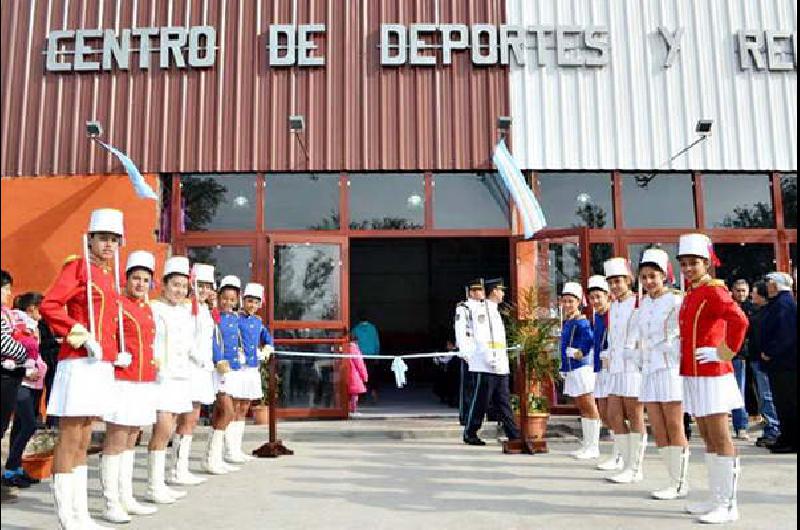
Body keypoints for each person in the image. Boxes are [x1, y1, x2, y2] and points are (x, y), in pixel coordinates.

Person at [41, 208, 126, 529]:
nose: (108, 245)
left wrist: (116, 352)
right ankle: (66, 515)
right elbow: (50, 305)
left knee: (86, 436)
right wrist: (82, 335)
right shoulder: (78, 267)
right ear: (90, 239)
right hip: (77, 361)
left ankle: (80, 512)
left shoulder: (109, 277)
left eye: (114, 240)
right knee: (70, 436)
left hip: (100, 364)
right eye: (103, 238)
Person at [678, 233, 748, 524]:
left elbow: (740, 320)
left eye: (694, 263)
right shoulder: (692, 293)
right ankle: (716, 496)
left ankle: (729, 504)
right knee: (706, 435)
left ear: (706, 263)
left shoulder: (715, 291)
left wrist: (725, 351)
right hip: (694, 373)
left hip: (714, 374)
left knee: (719, 436)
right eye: (684, 264)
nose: (688, 269)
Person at [100, 251, 159, 522]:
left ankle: (126, 497)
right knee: (117, 437)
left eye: (145, 280)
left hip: (144, 379)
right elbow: (104, 334)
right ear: (126, 279)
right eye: (135, 278)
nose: (140, 284)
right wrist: (113, 356)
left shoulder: (147, 308)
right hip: (122, 378)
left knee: (133, 435)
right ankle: (110, 501)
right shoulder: (117, 303)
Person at [635, 249, 689, 500]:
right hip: (648, 369)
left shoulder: (677, 300)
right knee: (657, 425)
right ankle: (672, 479)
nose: (648, 282)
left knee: (674, 423)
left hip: (670, 368)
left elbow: (686, 333)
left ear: (664, 276)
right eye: (644, 277)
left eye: (653, 276)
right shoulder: (644, 303)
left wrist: (675, 347)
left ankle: (681, 482)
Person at [147, 256, 194, 504]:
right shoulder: (154, 308)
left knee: (172, 426)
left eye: (184, 286)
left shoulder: (185, 312)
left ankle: (161, 481)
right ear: (164, 285)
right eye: (175, 284)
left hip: (180, 375)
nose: (179, 290)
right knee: (162, 428)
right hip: (160, 375)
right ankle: (153, 486)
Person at [169, 263, 217, 487]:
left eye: (208, 286)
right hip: (189, 368)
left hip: (203, 370)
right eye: (201, 285)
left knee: (194, 418)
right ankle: (176, 469)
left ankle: (182, 466)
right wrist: (198, 357)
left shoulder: (206, 309)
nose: (204, 290)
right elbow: (184, 338)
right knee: (186, 419)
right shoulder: (187, 308)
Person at [459, 278, 521, 446]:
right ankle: (470, 432)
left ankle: (513, 433)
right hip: (486, 364)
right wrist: (489, 357)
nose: (503, 294)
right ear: (494, 291)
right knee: (481, 401)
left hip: (499, 364)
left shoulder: (494, 310)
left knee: (503, 400)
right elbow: (481, 337)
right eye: (501, 290)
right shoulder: (481, 310)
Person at [603, 257, 646, 485]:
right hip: (615, 367)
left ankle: (635, 467)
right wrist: (608, 353)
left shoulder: (640, 302)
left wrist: (639, 352)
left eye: (618, 281)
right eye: (611, 282)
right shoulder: (615, 306)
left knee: (635, 415)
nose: (615, 286)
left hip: (633, 368)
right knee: (613, 415)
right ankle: (624, 461)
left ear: (628, 280)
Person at [4, 296, 47, 490]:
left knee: (20, 426)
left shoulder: (33, 324)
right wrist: (26, 366)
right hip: (22, 381)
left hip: (34, 384)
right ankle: (11, 468)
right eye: (41, 308)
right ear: (31, 308)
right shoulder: (19, 321)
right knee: (29, 425)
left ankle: (15, 468)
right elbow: (16, 346)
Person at [230, 282, 273, 462]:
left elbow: (267, 338)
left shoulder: (258, 322)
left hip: (252, 367)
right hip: (238, 367)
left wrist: (267, 348)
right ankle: (229, 449)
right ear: (243, 301)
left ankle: (237, 448)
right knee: (234, 406)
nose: (252, 306)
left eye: (256, 302)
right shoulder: (235, 319)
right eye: (249, 301)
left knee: (245, 406)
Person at [559, 282, 600, 460]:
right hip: (571, 369)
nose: (567, 304)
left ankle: (594, 446)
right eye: (565, 301)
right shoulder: (569, 321)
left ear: (579, 302)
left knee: (589, 405)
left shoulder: (581, 321)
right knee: (582, 407)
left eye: (571, 301)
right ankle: (587, 444)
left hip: (582, 367)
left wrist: (580, 352)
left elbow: (590, 339)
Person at [760, 272, 797, 454]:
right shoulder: (778, 303)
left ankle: (791, 439)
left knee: (788, 403)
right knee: (782, 403)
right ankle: (786, 437)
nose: (766, 287)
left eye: (768, 283)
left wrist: (770, 352)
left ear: (775, 285)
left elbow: (786, 334)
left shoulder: (784, 304)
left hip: (785, 364)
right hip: (780, 365)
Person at [1, 270, 29, 504]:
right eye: (6, 288)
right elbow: (4, 342)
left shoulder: (7, 314)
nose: (9, 293)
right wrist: (25, 353)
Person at [209, 275, 243, 470]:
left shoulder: (236, 318)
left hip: (233, 369)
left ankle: (215, 456)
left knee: (222, 412)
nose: (228, 303)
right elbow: (212, 338)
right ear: (218, 297)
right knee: (228, 411)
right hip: (219, 368)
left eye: (232, 299)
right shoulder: (214, 315)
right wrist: (217, 359)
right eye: (225, 298)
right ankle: (212, 457)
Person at [588, 276, 621, 471]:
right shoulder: (598, 316)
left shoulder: (612, 314)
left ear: (608, 296)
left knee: (614, 414)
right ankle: (617, 453)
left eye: (598, 297)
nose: (595, 301)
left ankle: (619, 455)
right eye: (592, 298)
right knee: (604, 414)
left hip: (613, 368)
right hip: (600, 368)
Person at [748, 281, 780, 447]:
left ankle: (773, 429)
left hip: (763, 360)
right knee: (764, 396)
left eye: (753, 292)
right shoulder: (759, 312)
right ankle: (771, 427)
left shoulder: (766, 314)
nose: (751, 296)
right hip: (756, 359)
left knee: (767, 396)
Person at [730, 279, 753, 441]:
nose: (741, 293)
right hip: (724, 354)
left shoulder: (752, 309)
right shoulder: (727, 307)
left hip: (741, 356)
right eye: (738, 290)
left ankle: (741, 426)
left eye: (743, 290)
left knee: (739, 392)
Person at [351, 316, 381, 403]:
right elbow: (377, 343)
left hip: (359, 357)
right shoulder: (373, 329)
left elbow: (353, 343)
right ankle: (374, 394)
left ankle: (361, 396)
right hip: (371, 356)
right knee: (372, 376)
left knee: (360, 376)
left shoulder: (355, 329)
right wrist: (377, 356)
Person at [347, 341, 368, 416]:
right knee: (354, 394)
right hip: (354, 374)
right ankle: (353, 411)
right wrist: (365, 377)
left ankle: (348, 410)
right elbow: (360, 364)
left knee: (346, 393)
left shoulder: (344, 347)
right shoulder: (355, 349)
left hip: (344, 373)